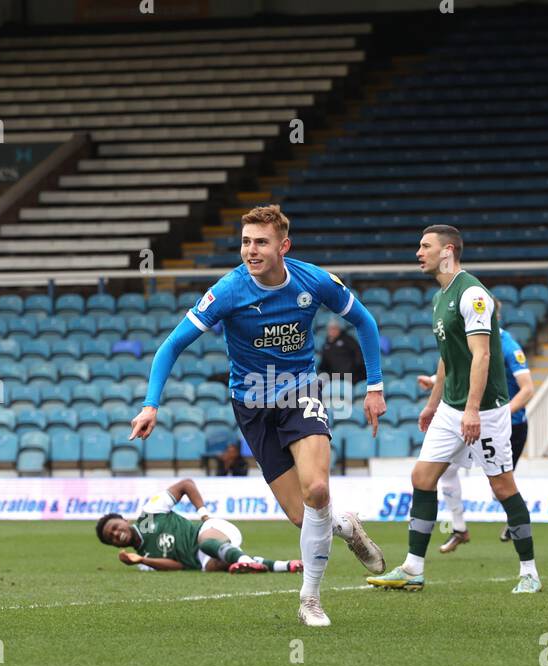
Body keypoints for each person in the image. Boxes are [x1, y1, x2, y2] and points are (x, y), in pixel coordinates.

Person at [130, 204, 387, 627]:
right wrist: (150, 404)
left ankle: (310, 600)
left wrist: (374, 386)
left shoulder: (314, 281)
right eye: (246, 241)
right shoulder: (228, 290)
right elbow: (171, 345)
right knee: (306, 518)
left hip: (299, 392)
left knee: (317, 489)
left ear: (283, 245)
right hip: (251, 407)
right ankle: (346, 526)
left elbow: (365, 321)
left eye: (261, 242)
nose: (251, 250)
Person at [367, 225, 541, 593]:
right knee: (422, 478)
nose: (418, 252)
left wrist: (473, 410)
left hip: (487, 411)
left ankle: (530, 572)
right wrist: (433, 405)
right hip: (450, 409)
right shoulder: (440, 297)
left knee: (503, 487)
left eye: (425, 246)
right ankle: (413, 568)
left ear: (447, 251)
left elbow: (482, 354)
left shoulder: (473, 294)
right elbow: (448, 358)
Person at [424, 300, 536, 552]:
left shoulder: (508, 347)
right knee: (446, 472)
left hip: (506, 424)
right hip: (468, 418)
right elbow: (459, 370)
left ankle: (518, 515)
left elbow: (528, 388)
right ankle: (459, 528)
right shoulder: (470, 341)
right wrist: (434, 381)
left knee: (500, 487)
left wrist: (503, 412)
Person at [96, 479, 301, 574]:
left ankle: (245, 560)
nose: (116, 534)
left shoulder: (150, 512)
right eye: (110, 537)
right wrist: (142, 559)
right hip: (201, 561)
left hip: (208, 530)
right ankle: (286, 566)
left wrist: (203, 514)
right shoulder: (142, 561)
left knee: (206, 544)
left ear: (124, 520)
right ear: (114, 546)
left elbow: (186, 484)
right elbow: (179, 566)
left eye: (114, 527)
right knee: (215, 567)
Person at [317, 318, 366, 386]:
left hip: (351, 376)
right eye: (330, 329)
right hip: (335, 377)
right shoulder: (326, 345)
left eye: (334, 328)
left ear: (338, 329)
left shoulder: (348, 339)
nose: (332, 331)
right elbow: (324, 363)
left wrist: (354, 370)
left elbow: (358, 355)